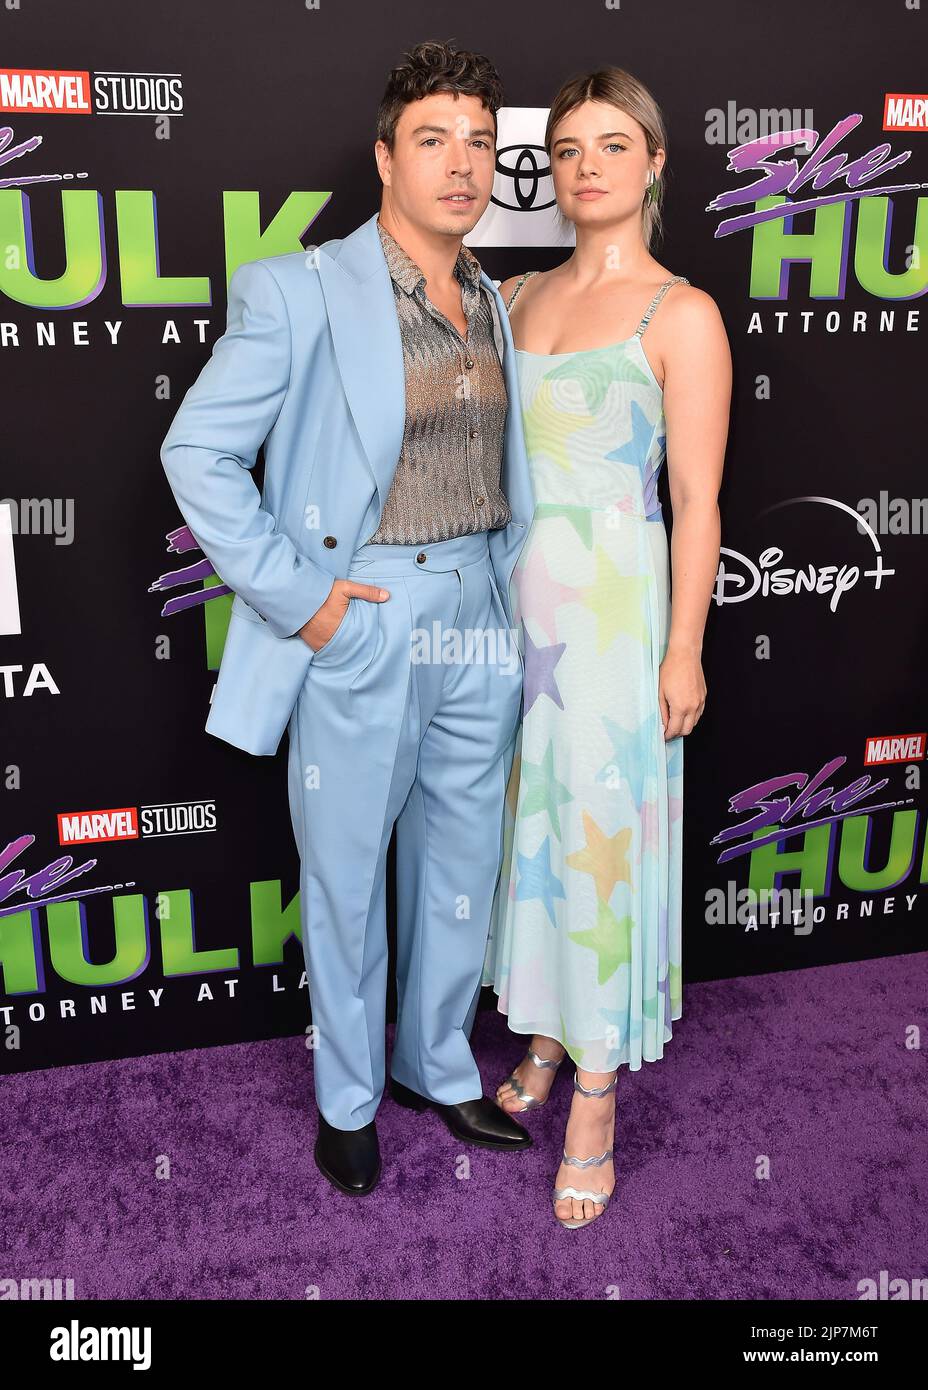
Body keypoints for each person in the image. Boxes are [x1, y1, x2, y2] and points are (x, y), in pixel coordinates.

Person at [160, 40, 536, 1197]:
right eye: (434, 140)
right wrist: (305, 603)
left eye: (480, 142)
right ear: (384, 157)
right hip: (364, 611)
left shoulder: (494, 295)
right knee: (347, 875)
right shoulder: (300, 288)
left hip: (480, 605)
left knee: (461, 860)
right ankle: (347, 1099)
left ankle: (434, 1064)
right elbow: (197, 451)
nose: (462, 165)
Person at [483, 66, 731, 1228]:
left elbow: (696, 499)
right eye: (569, 148)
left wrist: (683, 648)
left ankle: (593, 1092)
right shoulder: (517, 290)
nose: (586, 166)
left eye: (612, 144)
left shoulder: (679, 313)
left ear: (654, 163)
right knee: (525, 835)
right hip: (509, 621)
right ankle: (542, 1025)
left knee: (598, 849)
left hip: (616, 620)